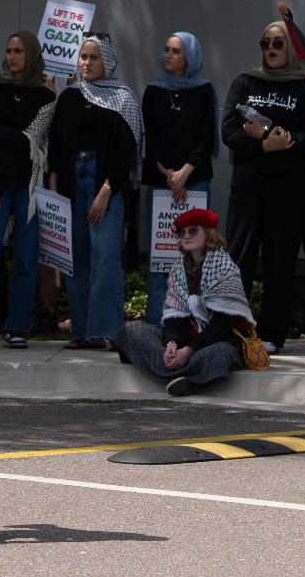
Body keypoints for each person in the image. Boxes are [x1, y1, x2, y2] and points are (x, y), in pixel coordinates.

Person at [221, 20, 305, 350]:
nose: (271, 49)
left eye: (278, 43)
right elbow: (229, 131)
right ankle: (233, 327)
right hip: (249, 186)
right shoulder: (245, 82)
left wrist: (279, 138)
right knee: (239, 256)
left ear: (291, 48)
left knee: (280, 260)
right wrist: (264, 145)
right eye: (265, 43)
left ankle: (272, 333)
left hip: (290, 187)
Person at [48, 33, 141, 352]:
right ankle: (81, 331)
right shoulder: (69, 97)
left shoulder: (123, 98)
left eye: (94, 57)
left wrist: (106, 190)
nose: (87, 63)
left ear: (108, 61)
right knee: (75, 259)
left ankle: (106, 331)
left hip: (106, 184)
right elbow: (56, 146)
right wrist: (54, 190)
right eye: (83, 57)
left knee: (104, 258)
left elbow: (125, 152)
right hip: (71, 184)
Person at [0, 31, 56, 349]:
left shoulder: (46, 97)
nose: (12, 56)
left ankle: (17, 327)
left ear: (31, 54)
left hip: (28, 187)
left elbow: (31, 142)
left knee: (26, 258)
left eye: (19, 51)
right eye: (8, 50)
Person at [110, 208, 251, 396]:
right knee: (131, 330)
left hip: (215, 340)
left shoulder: (226, 268)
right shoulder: (178, 268)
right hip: (185, 340)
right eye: (181, 232)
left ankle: (179, 374)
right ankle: (191, 377)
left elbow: (223, 325)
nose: (186, 236)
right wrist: (172, 344)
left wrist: (189, 350)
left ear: (208, 233)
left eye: (192, 230)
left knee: (220, 354)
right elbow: (174, 316)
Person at [141, 31, 218, 325]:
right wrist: (169, 174)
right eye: (167, 50)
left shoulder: (204, 90)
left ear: (190, 57)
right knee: (160, 256)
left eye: (176, 51)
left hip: (195, 181)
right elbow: (150, 137)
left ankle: (190, 323)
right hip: (162, 183)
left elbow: (206, 137)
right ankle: (157, 324)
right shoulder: (153, 91)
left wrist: (185, 172)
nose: (168, 56)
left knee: (193, 255)